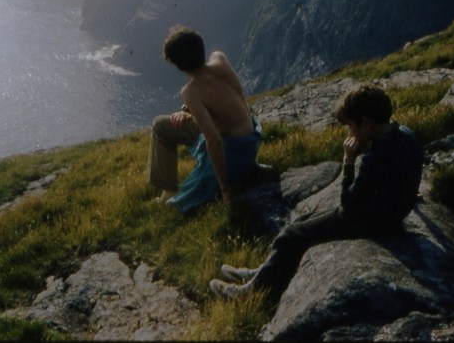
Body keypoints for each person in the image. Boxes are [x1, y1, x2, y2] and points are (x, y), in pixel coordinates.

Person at [209, 83, 423, 301]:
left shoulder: (373, 160)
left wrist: (348, 161)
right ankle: (262, 273)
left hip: (371, 222)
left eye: (350, 126)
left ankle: (250, 292)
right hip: (392, 214)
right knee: (305, 220)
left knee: (291, 235)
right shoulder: (405, 133)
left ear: (366, 124)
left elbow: (348, 203)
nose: (349, 132)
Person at [148, 25, 261, 211]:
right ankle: (167, 192)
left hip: (232, 154)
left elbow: (214, 141)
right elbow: (220, 100)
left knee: (177, 207)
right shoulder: (220, 59)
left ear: (178, 65)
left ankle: (168, 195)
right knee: (162, 124)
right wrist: (189, 111)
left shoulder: (191, 91)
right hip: (250, 142)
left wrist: (226, 190)